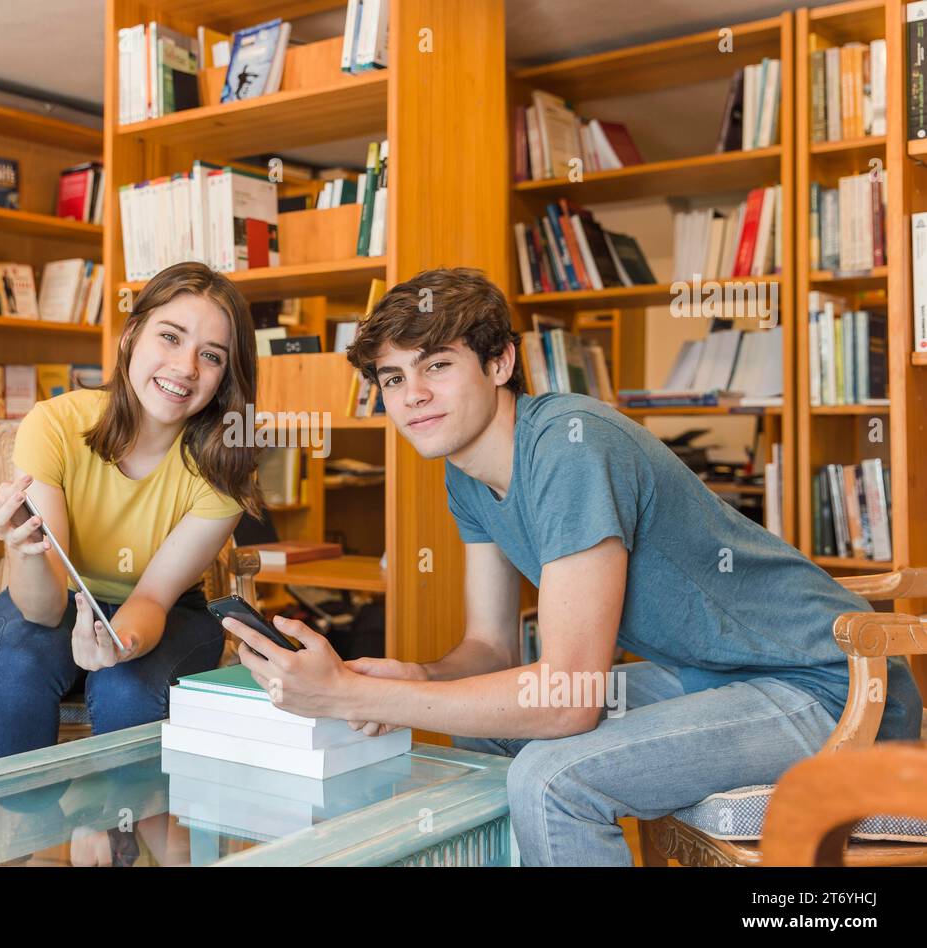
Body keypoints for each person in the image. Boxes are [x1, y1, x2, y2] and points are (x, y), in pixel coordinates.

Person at [220, 267, 923, 866]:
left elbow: (566, 697)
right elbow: (490, 647)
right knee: (484, 727)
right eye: (394, 377)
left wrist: (350, 695)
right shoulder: (467, 476)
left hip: (829, 687)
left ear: (499, 364)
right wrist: (418, 677)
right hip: (715, 679)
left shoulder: (569, 447)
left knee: (554, 779)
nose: (413, 397)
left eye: (437, 366)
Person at [0, 261, 263, 761]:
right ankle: (14, 834)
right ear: (132, 334)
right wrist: (23, 552)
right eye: (170, 337)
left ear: (226, 377)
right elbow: (45, 610)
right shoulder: (55, 425)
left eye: (211, 356)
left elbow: (152, 597)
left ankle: (119, 831)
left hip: (165, 612)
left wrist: (122, 642)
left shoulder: (225, 467)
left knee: (125, 688)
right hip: (57, 602)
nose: (186, 367)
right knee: (23, 663)